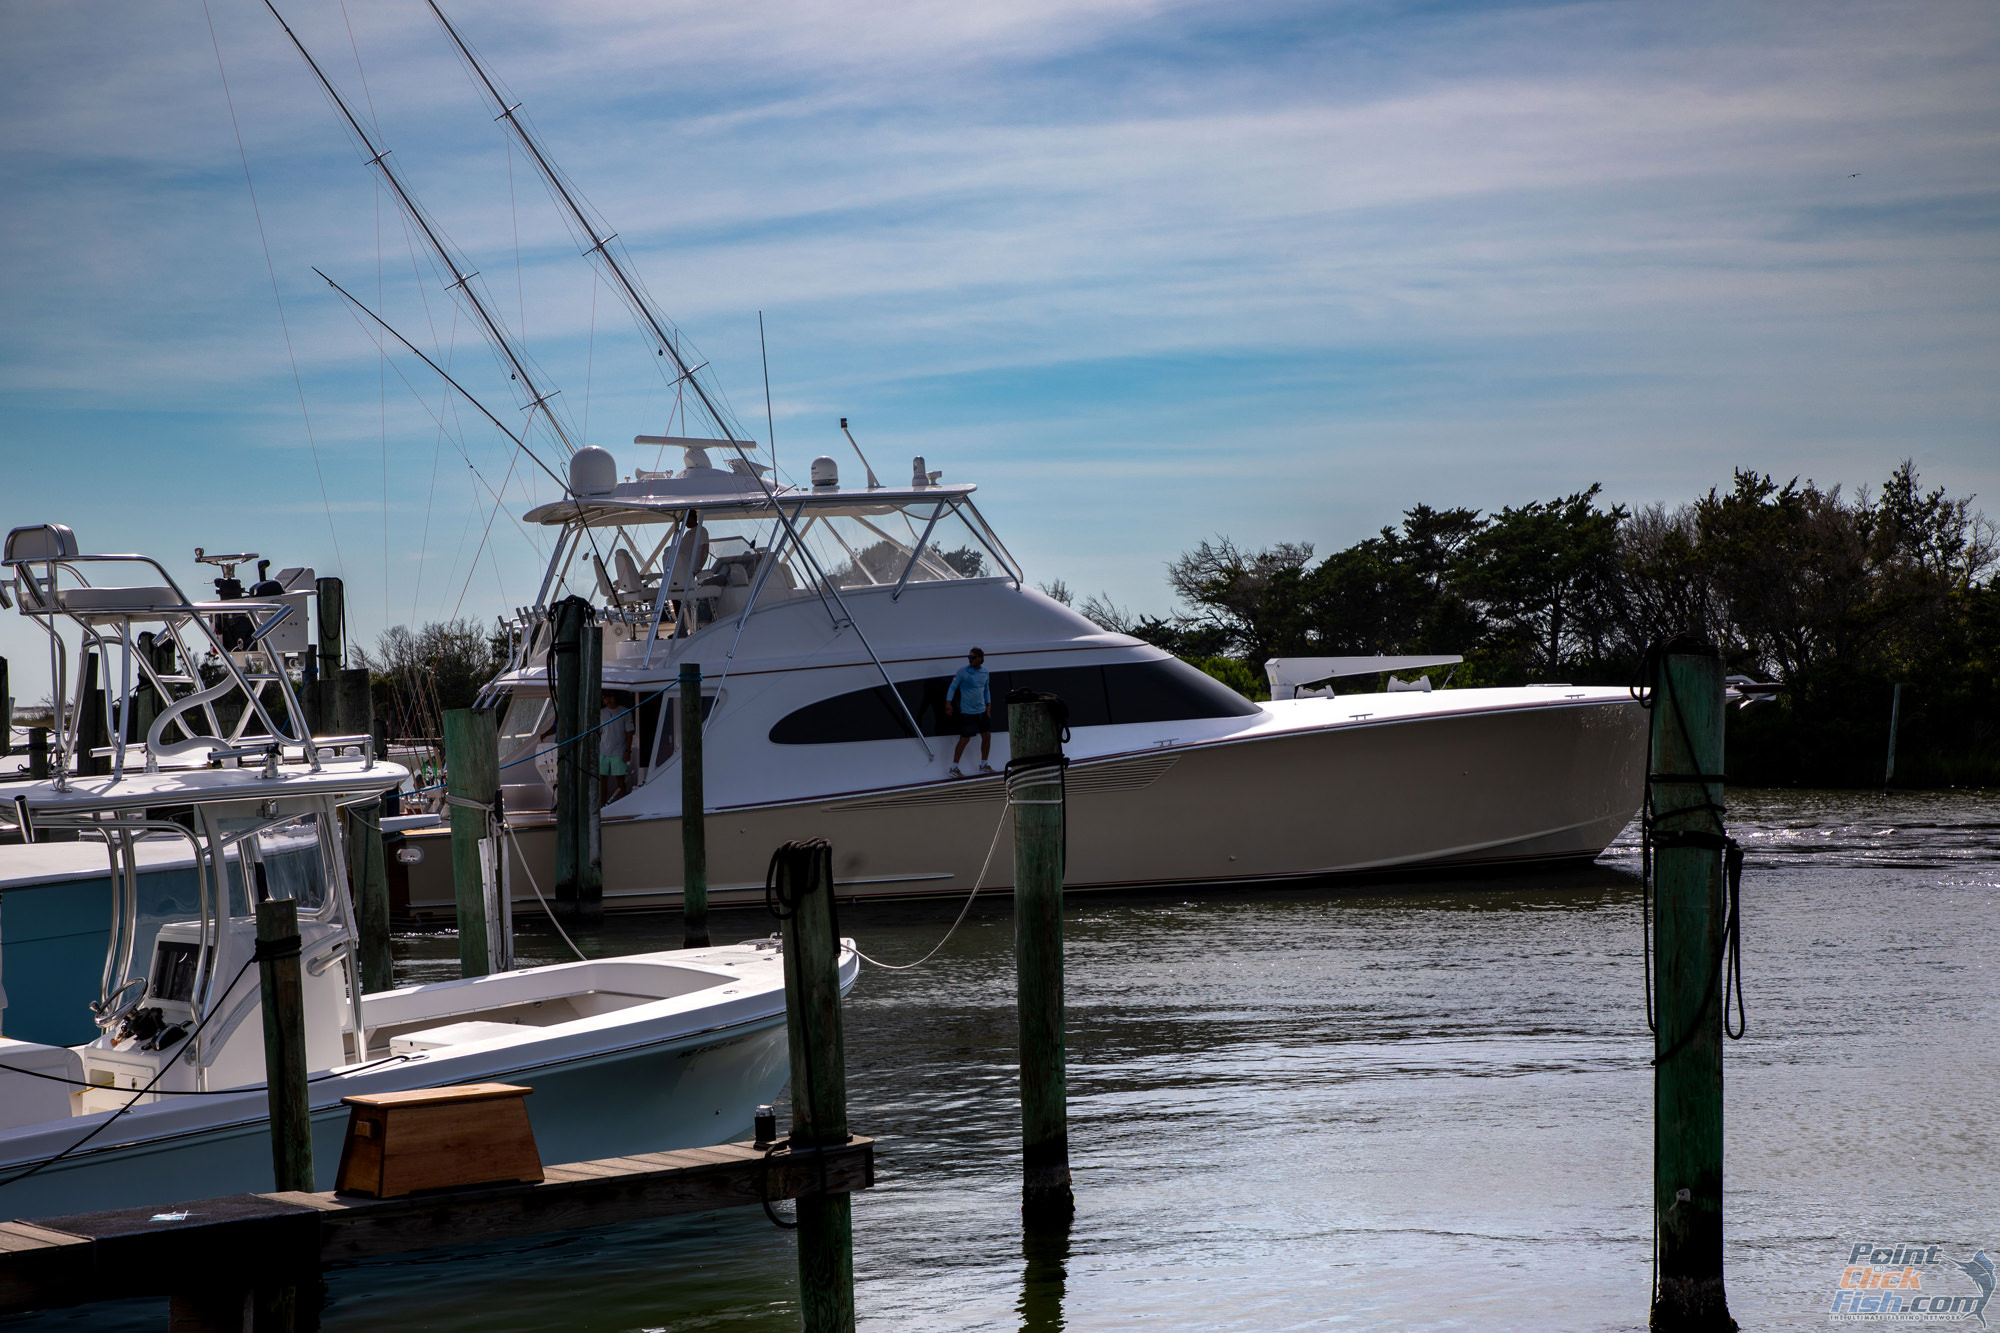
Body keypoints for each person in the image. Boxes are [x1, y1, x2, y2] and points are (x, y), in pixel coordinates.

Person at [944, 647, 995, 778]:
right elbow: (952, 687)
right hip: (968, 712)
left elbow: (986, 689)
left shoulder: (985, 673)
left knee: (987, 735)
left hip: (982, 711)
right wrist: (948, 704)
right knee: (965, 739)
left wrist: (988, 706)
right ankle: (954, 767)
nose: (970, 660)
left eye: (972, 658)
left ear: (980, 659)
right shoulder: (963, 672)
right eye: (969, 657)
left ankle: (984, 764)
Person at [599, 691, 633, 803]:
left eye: (610, 696)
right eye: (605, 697)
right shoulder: (601, 713)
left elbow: (629, 733)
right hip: (603, 751)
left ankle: (621, 803)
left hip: (619, 752)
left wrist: (627, 751)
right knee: (602, 780)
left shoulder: (625, 712)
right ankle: (601, 805)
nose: (607, 699)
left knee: (620, 781)